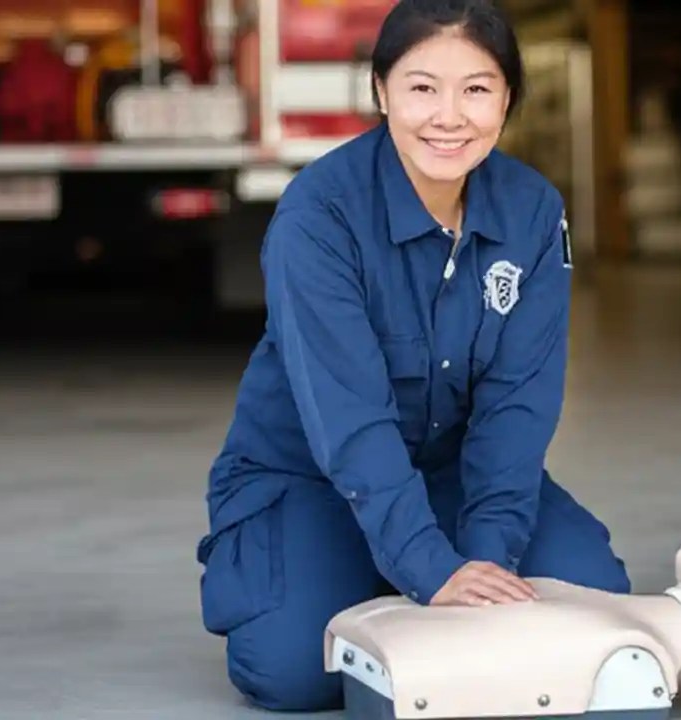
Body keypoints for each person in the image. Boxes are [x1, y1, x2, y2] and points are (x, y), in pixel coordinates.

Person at [195, 0, 631, 712]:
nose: (448, 116)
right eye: (422, 88)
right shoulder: (320, 215)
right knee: (291, 668)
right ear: (381, 93)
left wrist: (485, 557)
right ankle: (354, 570)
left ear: (508, 99)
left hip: (450, 473)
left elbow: (519, 405)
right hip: (315, 478)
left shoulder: (531, 212)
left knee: (593, 602)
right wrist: (430, 569)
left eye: (477, 89)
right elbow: (349, 418)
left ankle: (388, 580)